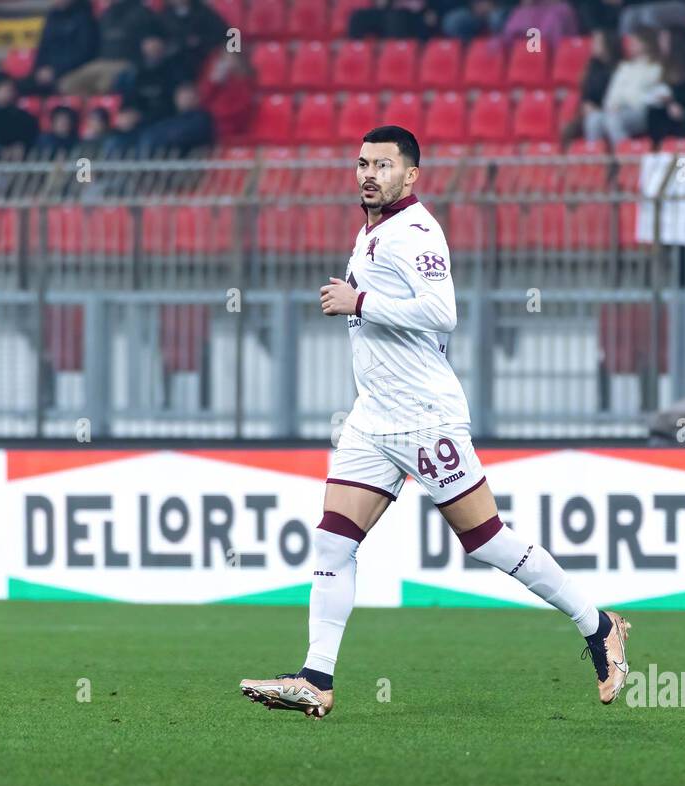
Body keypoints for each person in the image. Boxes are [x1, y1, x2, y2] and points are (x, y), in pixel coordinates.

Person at [240, 125, 632, 720]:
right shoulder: (370, 230)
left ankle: (598, 623)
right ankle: (316, 678)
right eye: (362, 163)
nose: (370, 174)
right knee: (332, 539)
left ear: (411, 175)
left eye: (383, 165)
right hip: (372, 418)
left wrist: (359, 302)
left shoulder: (417, 232)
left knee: (487, 541)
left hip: (424, 418)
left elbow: (441, 312)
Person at [58, 0, 162, 95]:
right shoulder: (106, 14)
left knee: (104, 85)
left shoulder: (141, 12)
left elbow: (151, 43)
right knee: (66, 85)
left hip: (126, 62)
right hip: (100, 62)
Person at [587, 26, 666, 143]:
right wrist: (612, 105)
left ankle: (623, 156)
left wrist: (623, 100)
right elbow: (613, 91)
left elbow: (645, 97)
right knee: (593, 119)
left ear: (647, 43)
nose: (630, 45)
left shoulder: (656, 67)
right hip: (617, 110)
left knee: (613, 120)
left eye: (635, 42)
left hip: (641, 112)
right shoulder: (625, 67)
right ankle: (595, 158)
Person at [22, 0, 100, 96]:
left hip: (72, 71)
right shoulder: (52, 16)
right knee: (20, 86)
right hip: (47, 72)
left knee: (64, 86)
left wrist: (55, 70)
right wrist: (39, 69)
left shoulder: (84, 16)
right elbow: (43, 47)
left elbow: (84, 52)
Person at [647, 25, 685, 142]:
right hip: (668, 110)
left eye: (664, 40)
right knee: (653, 111)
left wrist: (675, 103)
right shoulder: (664, 66)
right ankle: (658, 148)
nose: (660, 44)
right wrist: (669, 102)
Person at [560, 27, 619, 145]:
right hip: (589, 111)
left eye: (597, 42)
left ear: (606, 44)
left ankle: (600, 156)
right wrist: (585, 106)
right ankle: (588, 156)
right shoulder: (592, 67)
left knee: (594, 120)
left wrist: (597, 109)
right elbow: (586, 92)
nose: (593, 45)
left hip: (609, 111)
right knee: (569, 129)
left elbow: (614, 95)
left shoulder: (617, 68)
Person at [139, 82, 215, 156]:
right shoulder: (175, 119)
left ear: (197, 98)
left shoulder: (200, 119)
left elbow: (179, 136)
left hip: (189, 163)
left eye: (187, 97)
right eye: (180, 96)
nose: (183, 100)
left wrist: (157, 137)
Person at [160, 0, 230, 80]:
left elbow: (221, 33)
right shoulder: (163, 17)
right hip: (177, 67)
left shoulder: (203, 11)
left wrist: (200, 40)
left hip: (205, 61)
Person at [198, 50, 256, 142]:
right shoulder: (215, 77)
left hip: (230, 127)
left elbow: (242, 109)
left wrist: (215, 115)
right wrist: (213, 82)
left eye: (230, 58)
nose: (227, 62)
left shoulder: (244, 81)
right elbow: (202, 100)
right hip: (210, 125)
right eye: (224, 58)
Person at [499, 0, 579, 50]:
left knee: (553, 18)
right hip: (535, 10)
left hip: (555, 10)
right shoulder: (522, 11)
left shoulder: (561, 10)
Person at [442, 0, 511, 40]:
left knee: (496, 18)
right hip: (473, 11)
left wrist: (492, 6)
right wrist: (475, 6)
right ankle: (469, 49)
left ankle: (500, 49)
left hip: (498, 8)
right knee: (452, 21)